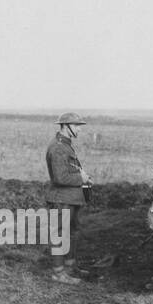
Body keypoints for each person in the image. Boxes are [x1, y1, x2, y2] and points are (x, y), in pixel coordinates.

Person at [45, 112, 91, 284]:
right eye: (77, 125)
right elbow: (60, 178)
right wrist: (82, 179)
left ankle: (70, 267)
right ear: (66, 126)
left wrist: (82, 176)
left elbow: (69, 170)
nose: (79, 129)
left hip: (70, 199)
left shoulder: (65, 145)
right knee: (59, 235)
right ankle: (58, 273)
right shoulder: (58, 147)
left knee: (71, 232)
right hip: (61, 199)